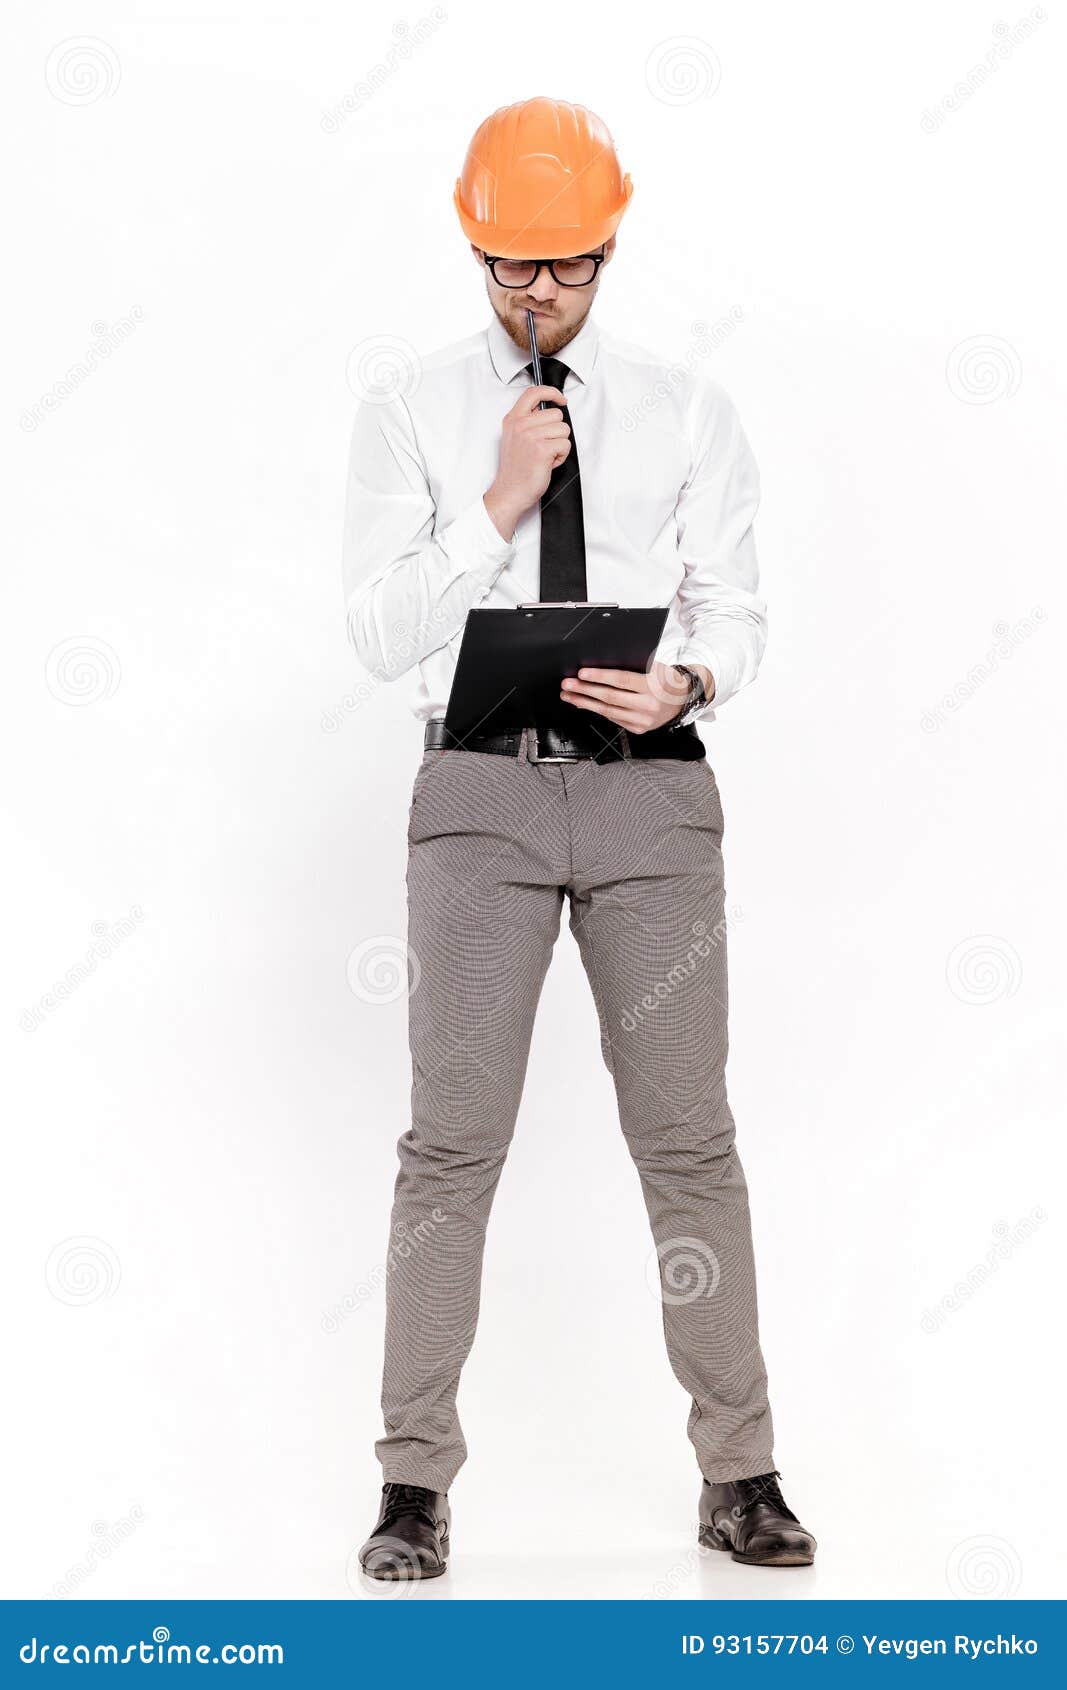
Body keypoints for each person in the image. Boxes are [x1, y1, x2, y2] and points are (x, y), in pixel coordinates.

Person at [343, 96, 816, 1580]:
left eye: (563, 265)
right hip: (477, 790)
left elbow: (735, 604)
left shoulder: (688, 407)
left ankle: (739, 1473)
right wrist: (497, 502)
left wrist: (690, 676)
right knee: (452, 1145)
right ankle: (414, 1483)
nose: (536, 293)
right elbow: (372, 632)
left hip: (648, 788)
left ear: (609, 246)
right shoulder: (411, 405)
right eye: (508, 267)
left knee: (690, 1140)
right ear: (472, 246)